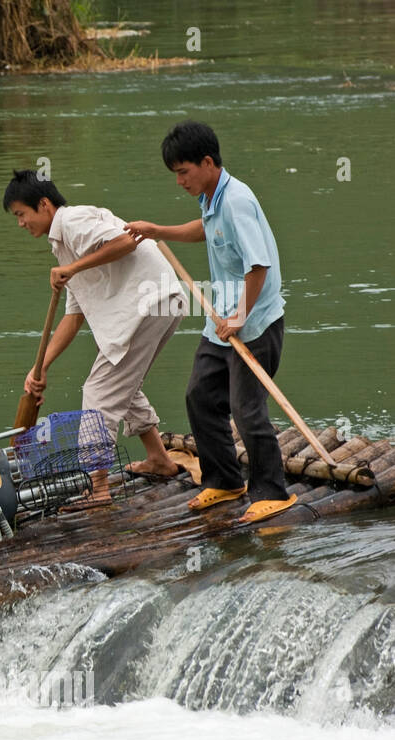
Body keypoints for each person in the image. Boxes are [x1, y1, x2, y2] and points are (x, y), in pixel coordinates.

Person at [125, 120, 296, 523]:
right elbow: (205, 231)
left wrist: (239, 317)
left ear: (207, 162)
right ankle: (224, 480)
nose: (180, 181)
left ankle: (272, 490)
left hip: (253, 324)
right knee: (200, 397)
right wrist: (156, 231)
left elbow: (259, 266)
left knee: (246, 409)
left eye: (184, 172)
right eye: (176, 174)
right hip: (223, 322)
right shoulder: (211, 197)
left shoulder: (236, 200)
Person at [3, 169, 189, 505]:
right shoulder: (63, 246)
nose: (20, 223)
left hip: (148, 302)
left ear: (43, 204)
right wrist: (39, 368)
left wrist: (72, 270)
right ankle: (160, 459)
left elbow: (126, 240)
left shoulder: (73, 221)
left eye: (21, 214)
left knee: (99, 391)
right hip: (155, 304)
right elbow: (73, 318)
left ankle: (98, 488)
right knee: (123, 386)